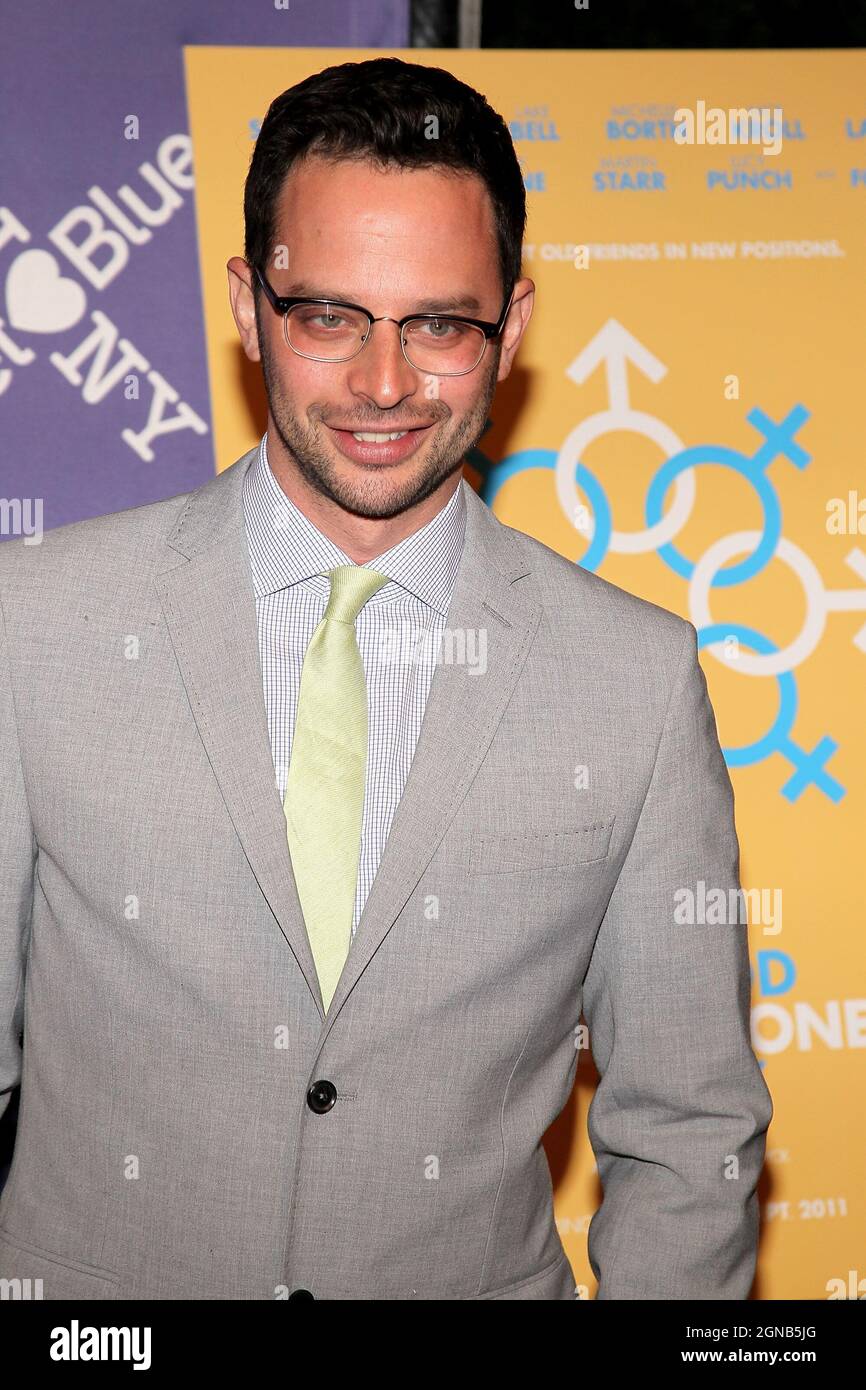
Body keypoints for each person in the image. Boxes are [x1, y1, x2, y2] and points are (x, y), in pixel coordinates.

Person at [0, 56, 772, 1300]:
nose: (381, 383)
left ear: (509, 328)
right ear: (250, 304)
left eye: (437, 324)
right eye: (330, 317)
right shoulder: (32, 623)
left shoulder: (631, 678)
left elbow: (688, 1130)